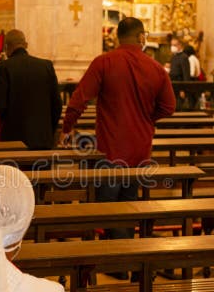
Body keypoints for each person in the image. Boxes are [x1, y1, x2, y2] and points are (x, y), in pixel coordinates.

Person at [59, 17, 175, 239]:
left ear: (116, 38)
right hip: (140, 148)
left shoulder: (104, 62)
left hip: (110, 148)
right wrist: (148, 119)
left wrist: (67, 127)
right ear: (142, 37)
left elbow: (79, 99)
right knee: (130, 201)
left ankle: (113, 258)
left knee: (107, 203)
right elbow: (169, 107)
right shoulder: (156, 68)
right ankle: (125, 256)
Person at [0, 29, 62, 149]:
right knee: (42, 168)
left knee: (14, 169)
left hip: (13, 140)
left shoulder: (3, 67)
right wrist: (48, 129)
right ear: (26, 45)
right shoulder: (46, 66)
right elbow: (57, 104)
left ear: (7, 47)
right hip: (42, 138)